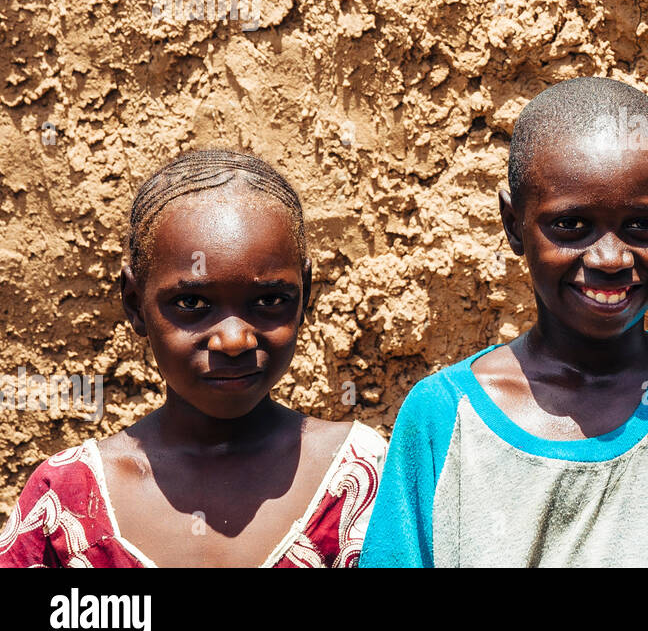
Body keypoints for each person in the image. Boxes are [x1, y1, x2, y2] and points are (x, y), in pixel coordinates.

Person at [360, 77, 648, 567]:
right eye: (571, 225)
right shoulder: (444, 419)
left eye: (643, 226)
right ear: (513, 224)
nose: (610, 257)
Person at [0, 150, 386, 567]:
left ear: (305, 294)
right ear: (134, 303)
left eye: (270, 299)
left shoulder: (359, 475)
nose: (234, 340)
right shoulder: (64, 503)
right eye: (191, 302)